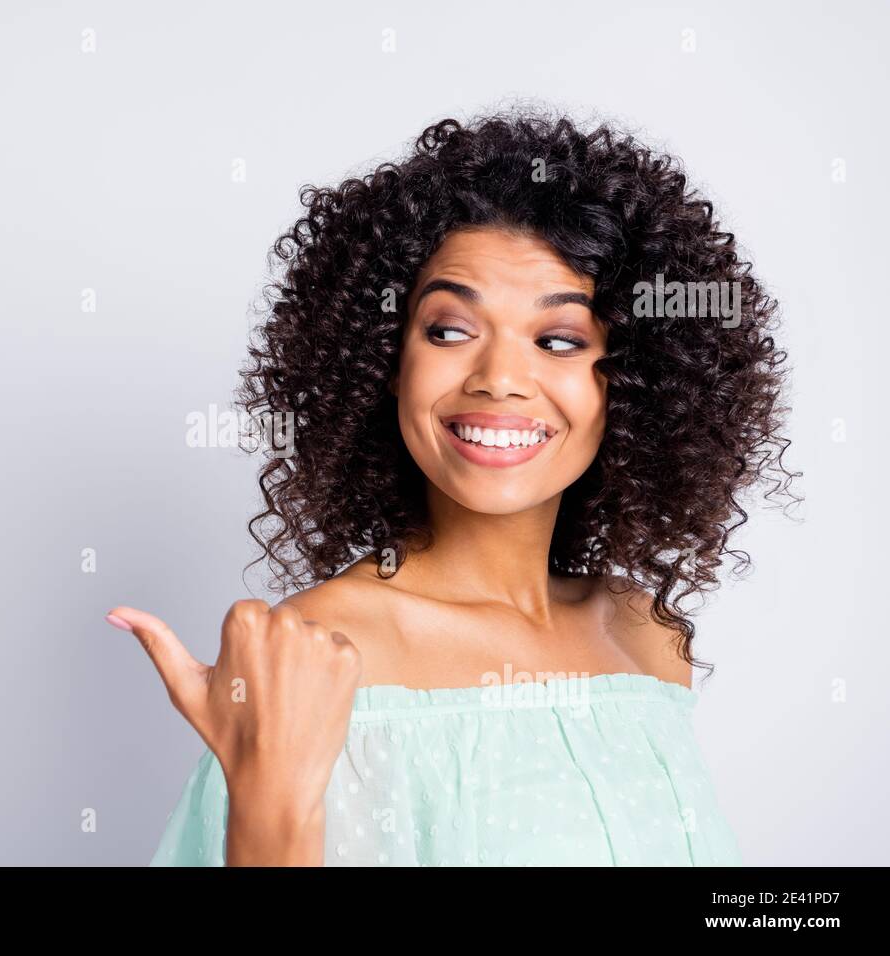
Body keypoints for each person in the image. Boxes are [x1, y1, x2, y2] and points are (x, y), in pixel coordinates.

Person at [106, 110, 798, 866]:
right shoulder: (320, 655)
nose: (499, 378)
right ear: (386, 362)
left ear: (635, 383)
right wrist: (273, 797)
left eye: (559, 341)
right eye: (448, 330)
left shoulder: (648, 637)